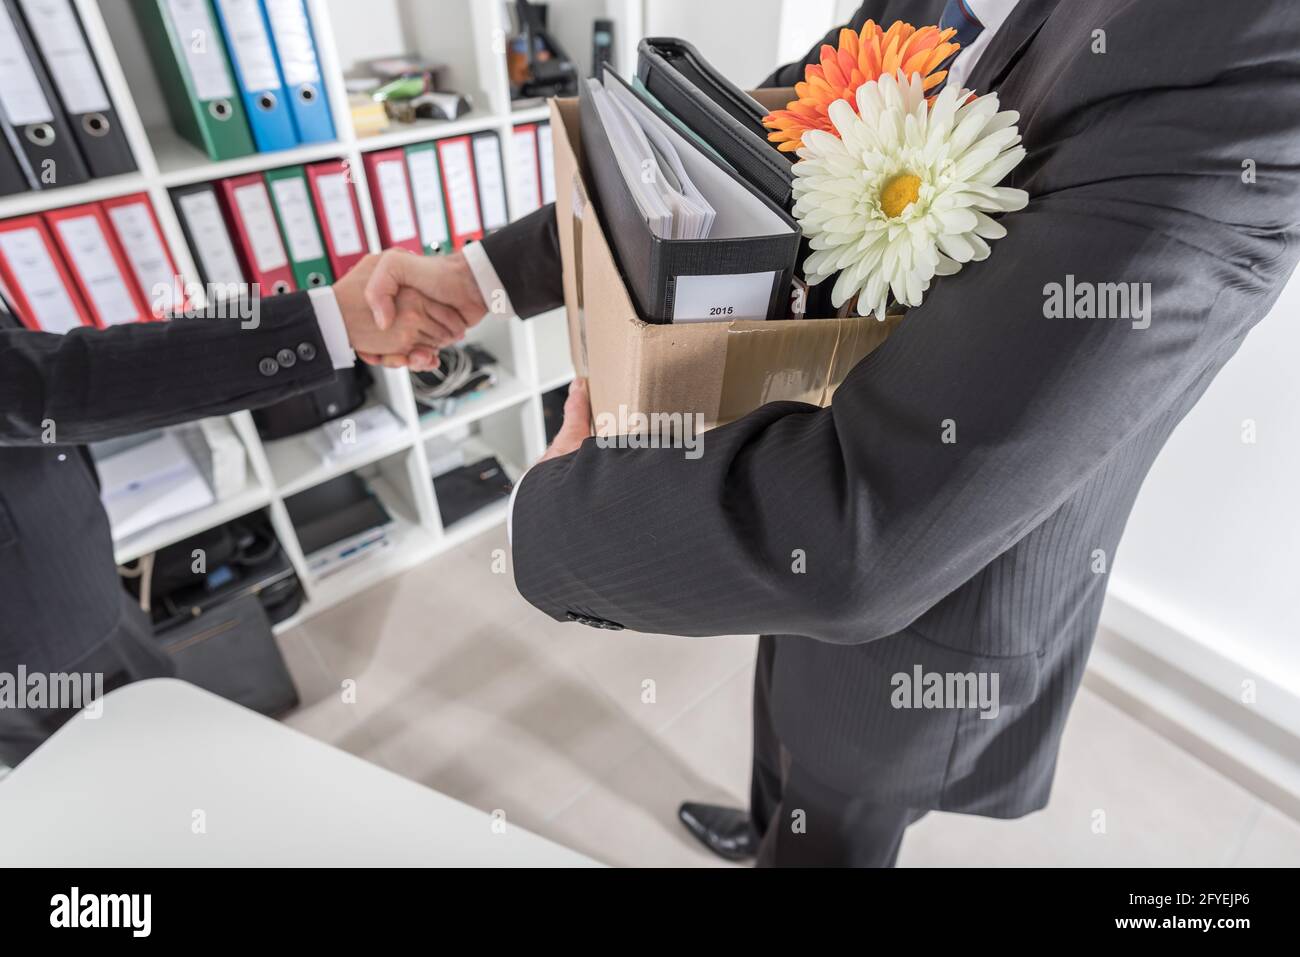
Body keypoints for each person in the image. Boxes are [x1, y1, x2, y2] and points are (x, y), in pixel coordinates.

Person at [362, 0, 1300, 867]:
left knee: (841, 811)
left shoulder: (1248, 53)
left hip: (941, 606)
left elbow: (866, 535)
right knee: (787, 724)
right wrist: (483, 277)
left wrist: (551, 517)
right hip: (805, 455)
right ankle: (767, 823)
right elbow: (773, 135)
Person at [0, 256, 462, 766]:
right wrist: (328, 322)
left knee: (160, 730)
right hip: (37, 629)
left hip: (64, 561)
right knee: (122, 771)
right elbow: (50, 381)